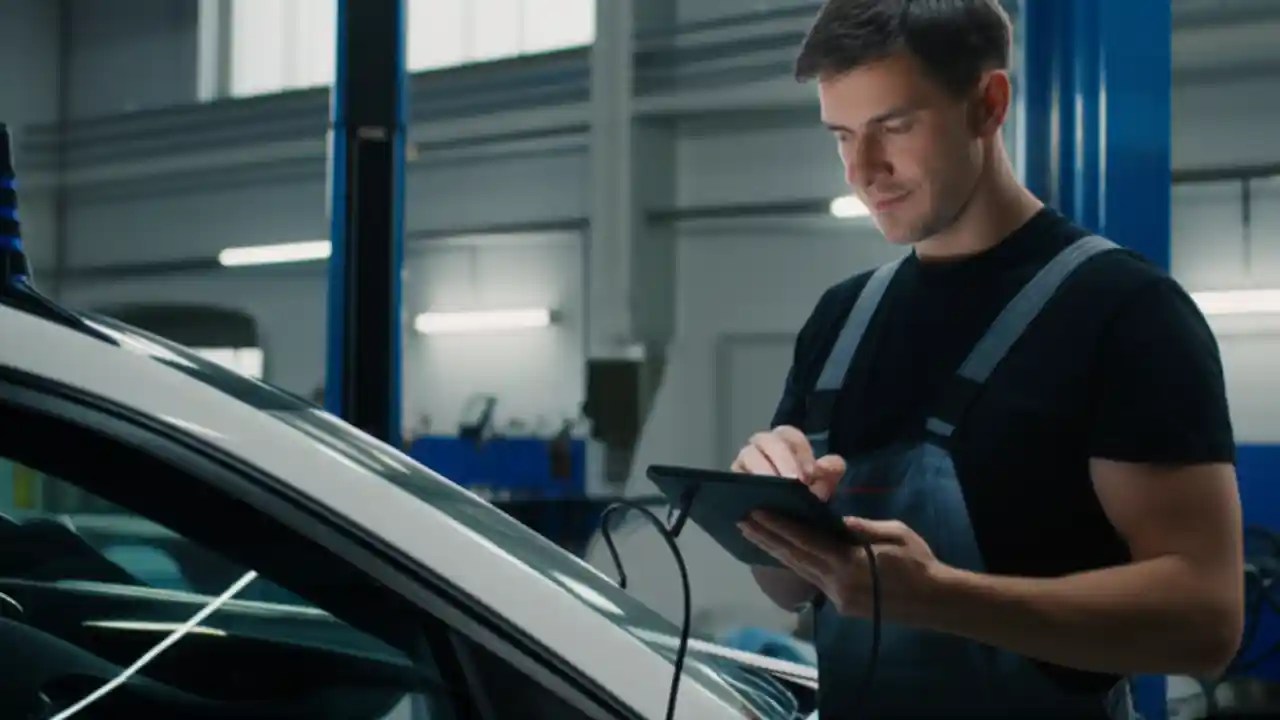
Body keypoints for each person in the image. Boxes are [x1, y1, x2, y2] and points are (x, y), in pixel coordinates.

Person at [731, 1, 1245, 718]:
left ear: (988, 104)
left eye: (895, 127)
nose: (863, 170)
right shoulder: (840, 320)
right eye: (842, 136)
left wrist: (944, 599)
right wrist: (768, 516)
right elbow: (789, 589)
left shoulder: (1124, 312)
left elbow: (1206, 620)